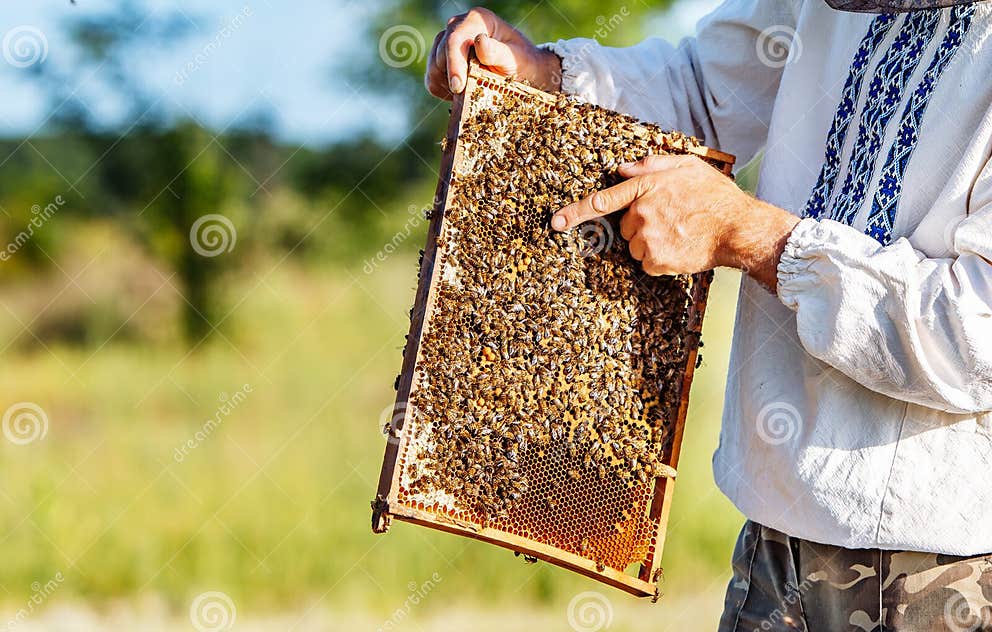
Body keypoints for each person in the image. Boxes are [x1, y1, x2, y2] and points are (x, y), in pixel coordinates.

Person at [425, 2, 992, 630]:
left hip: (945, 570)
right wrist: (543, 72)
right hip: (775, 539)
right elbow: (709, 90)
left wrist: (750, 234)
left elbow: (975, 329)